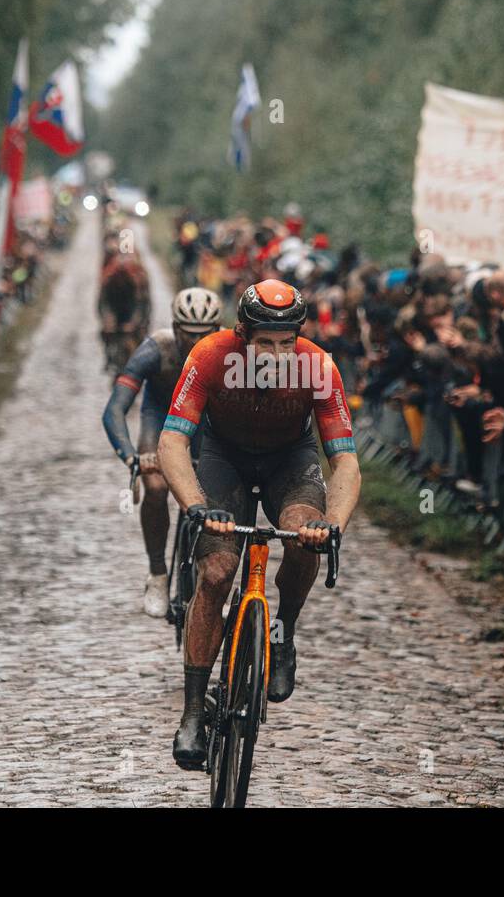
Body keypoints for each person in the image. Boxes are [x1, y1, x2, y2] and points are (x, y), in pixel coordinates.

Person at [158, 279, 361, 769]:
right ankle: (191, 713)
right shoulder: (209, 355)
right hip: (223, 457)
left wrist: (332, 522)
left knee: (302, 531)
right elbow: (172, 442)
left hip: (288, 461)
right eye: (264, 343)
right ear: (242, 335)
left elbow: (346, 462)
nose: (276, 353)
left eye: (286, 343)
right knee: (217, 572)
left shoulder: (318, 366)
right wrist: (195, 505)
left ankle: (283, 633)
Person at [102, 287, 223, 616]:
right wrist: (132, 457)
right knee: (155, 488)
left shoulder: (230, 352)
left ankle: (208, 576)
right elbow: (115, 410)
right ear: (174, 327)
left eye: (206, 334)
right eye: (188, 333)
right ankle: (157, 573)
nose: (197, 342)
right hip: (162, 418)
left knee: (216, 494)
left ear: (219, 330)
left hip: (206, 423)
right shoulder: (156, 349)